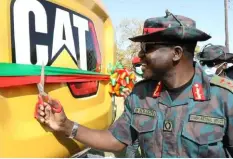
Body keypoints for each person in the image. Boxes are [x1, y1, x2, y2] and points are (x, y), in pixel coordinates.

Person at [36, 10, 233, 157]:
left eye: (147, 48)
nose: (139, 56)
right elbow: (117, 140)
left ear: (176, 53)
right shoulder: (141, 94)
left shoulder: (223, 97)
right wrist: (66, 125)